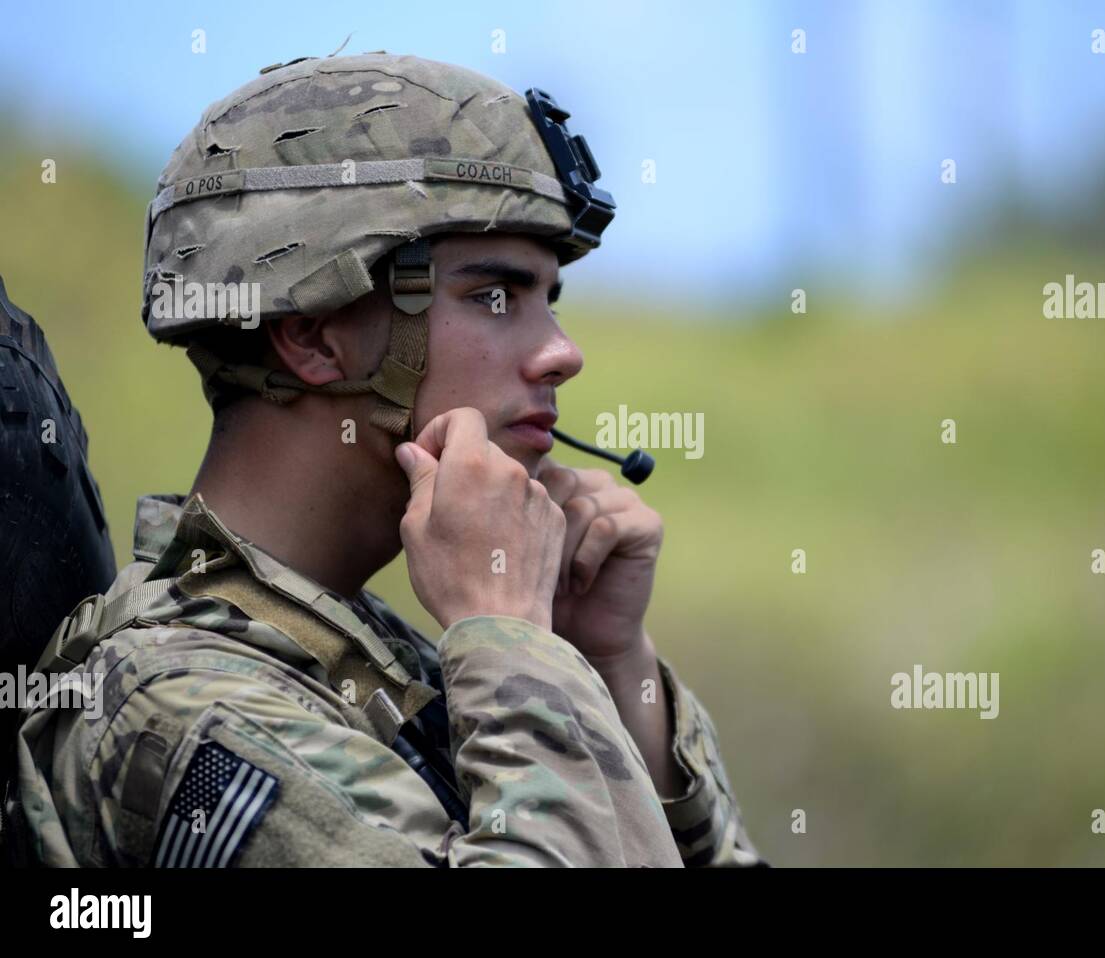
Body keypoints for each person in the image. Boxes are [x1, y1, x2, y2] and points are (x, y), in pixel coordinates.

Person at [11, 53, 762, 867]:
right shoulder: (185, 712)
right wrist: (513, 642)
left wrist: (609, 665)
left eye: (553, 301)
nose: (561, 354)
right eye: (496, 297)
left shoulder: (372, 658)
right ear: (312, 332)